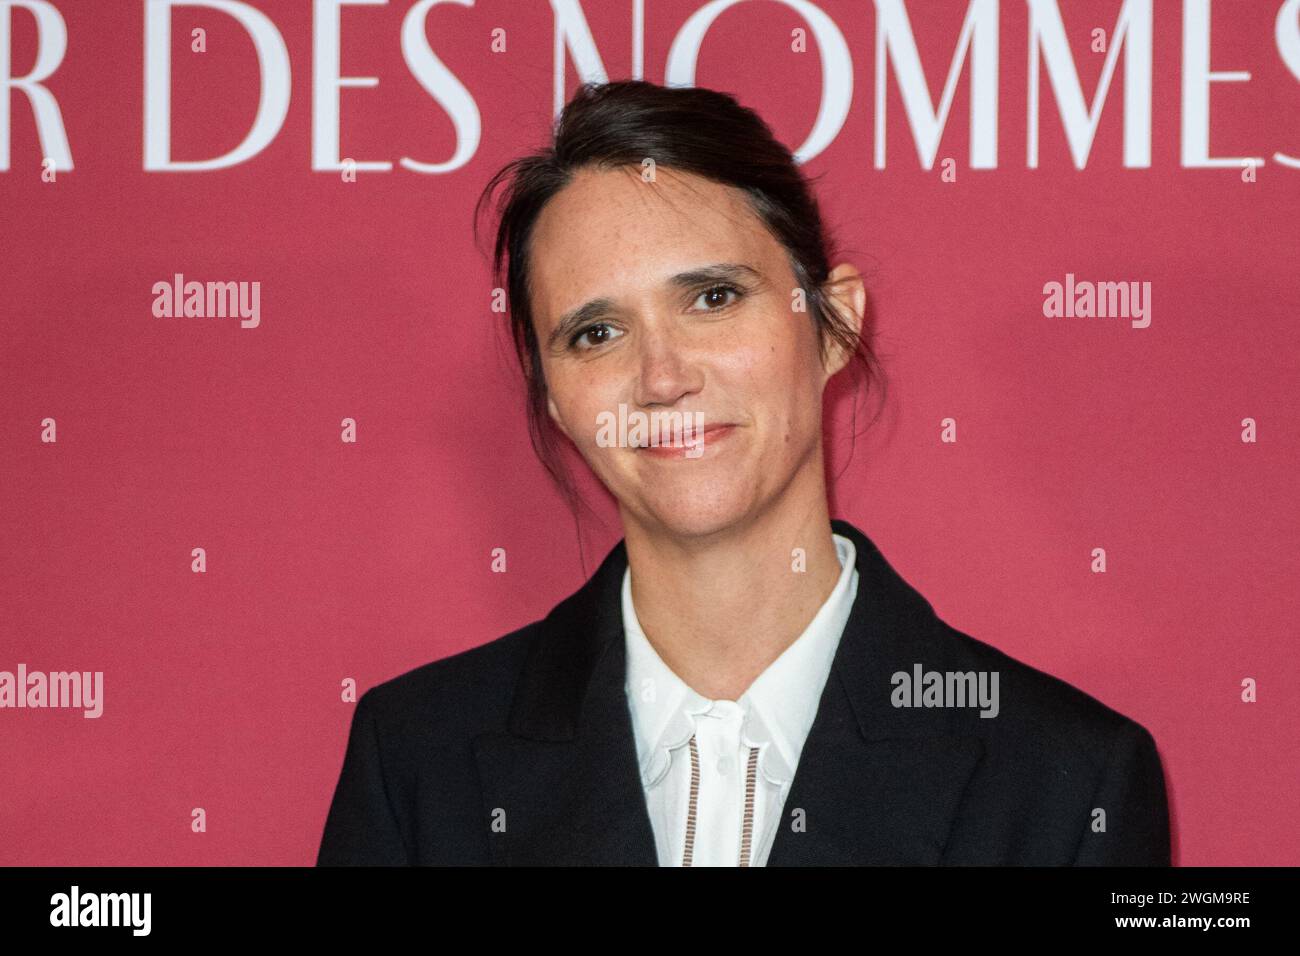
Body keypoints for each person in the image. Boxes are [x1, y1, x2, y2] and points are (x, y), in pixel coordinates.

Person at [317, 80, 1171, 866]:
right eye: (595, 334)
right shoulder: (419, 765)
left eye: (714, 298)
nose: (661, 376)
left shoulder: (1066, 781)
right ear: (552, 399)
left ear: (833, 322)